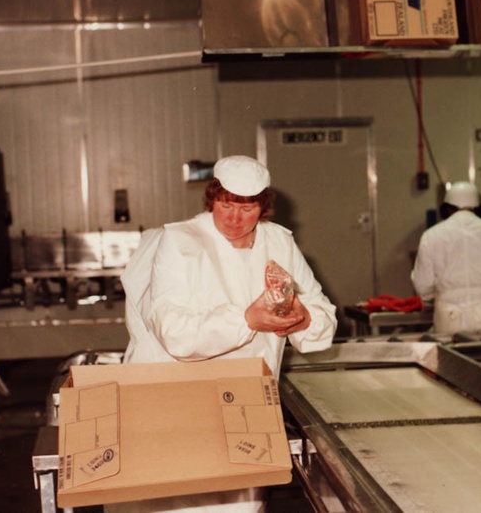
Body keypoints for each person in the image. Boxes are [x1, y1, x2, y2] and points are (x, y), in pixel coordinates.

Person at [114, 155, 337, 513]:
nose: (234, 218)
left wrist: (302, 318)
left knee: (243, 504)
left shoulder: (279, 243)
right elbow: (175, 333)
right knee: (176, 502)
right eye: (226, 205)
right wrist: (247, 319)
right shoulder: (179, 242)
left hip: (246, 406)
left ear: (263, 207)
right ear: (211, 199)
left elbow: (322, 321)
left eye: (247, 208)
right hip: (178, 403)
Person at [411, 181, 481, 335]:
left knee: (452, 359)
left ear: (446, 208)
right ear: (479, 208)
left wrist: (438, 292)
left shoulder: (431, 236)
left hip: (449, 320)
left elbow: (423, 287)